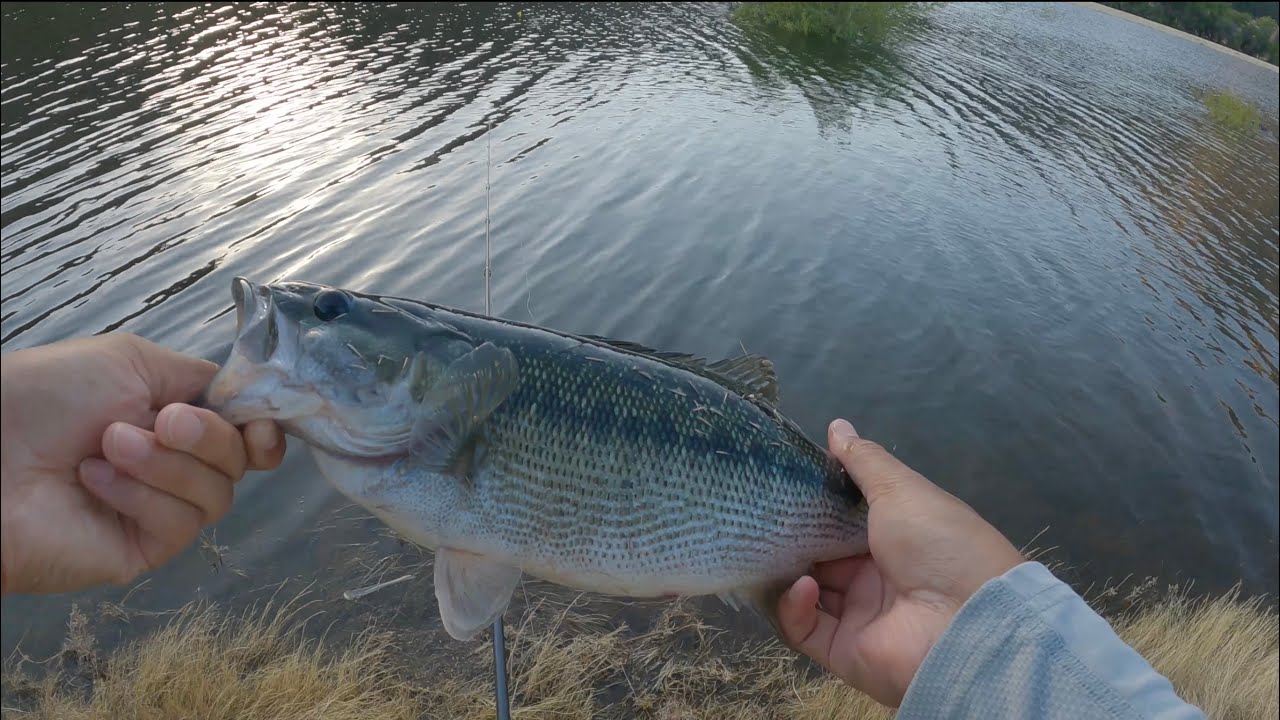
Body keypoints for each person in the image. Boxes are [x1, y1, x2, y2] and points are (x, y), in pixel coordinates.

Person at [0, 333, 1206, 719]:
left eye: (328, 322)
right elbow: (471, 576)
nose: (290, 329)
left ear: (438, 384)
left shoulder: (435, 452)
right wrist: (983, 648)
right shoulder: (419, 457)